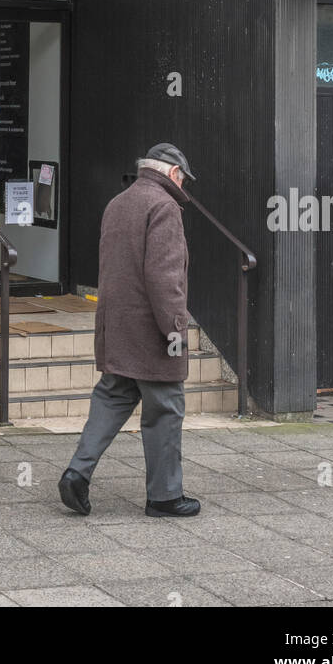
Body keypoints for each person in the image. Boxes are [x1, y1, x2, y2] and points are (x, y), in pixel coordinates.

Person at [59, 142, 200, 519]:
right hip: (153, 331)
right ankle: (165, 497)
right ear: (173, 173)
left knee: (112, 396)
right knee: (166, 407)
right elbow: (165, 278)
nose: (184, 188)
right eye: (184, 179)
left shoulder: (118, 203)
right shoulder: (164, 207)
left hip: (116, 324)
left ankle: (77, 472)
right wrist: (175, 330)